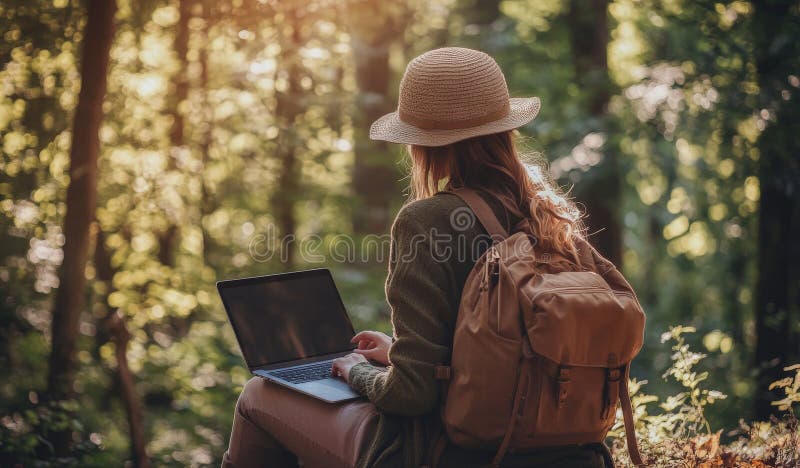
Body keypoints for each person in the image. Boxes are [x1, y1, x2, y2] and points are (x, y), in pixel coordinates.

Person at [222, 47, 610, 468]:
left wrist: (356, 372)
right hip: (566, 447)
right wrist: (399, 354)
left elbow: (410, 396)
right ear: (504, 131)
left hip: (446, 451)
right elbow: (508, 350)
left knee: (257, 397)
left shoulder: (426, 220)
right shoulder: (546, 213)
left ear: (422, 144)